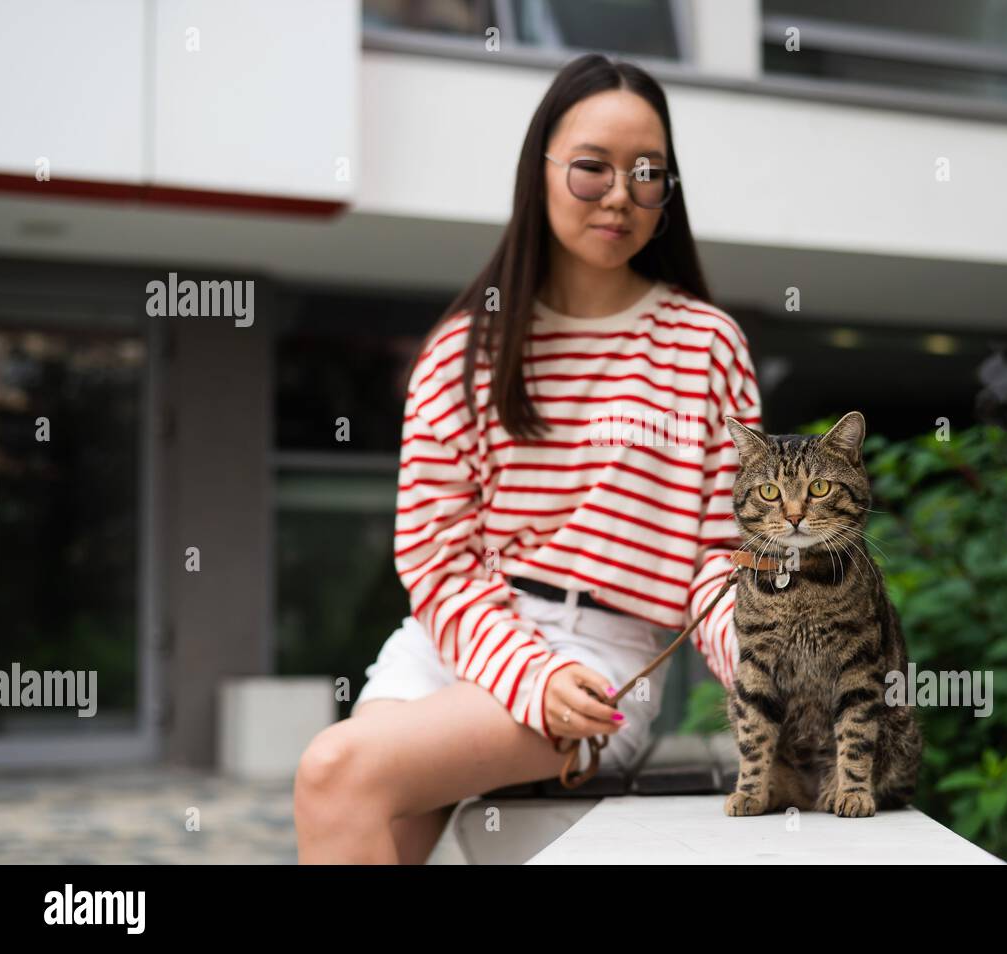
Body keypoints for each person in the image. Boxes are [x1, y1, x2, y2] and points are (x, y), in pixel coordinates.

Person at [293, 52, 763, 864]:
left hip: (598, 662)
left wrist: (769, 667)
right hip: (454, 639)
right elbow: (438, 559)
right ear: (539, 170)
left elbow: (719, 557)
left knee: (335, 768)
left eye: (648, 174)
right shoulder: (463, 350)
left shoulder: (704, 347)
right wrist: (523, 672)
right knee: (357, 809)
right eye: (591, 169)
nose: (620, 194)